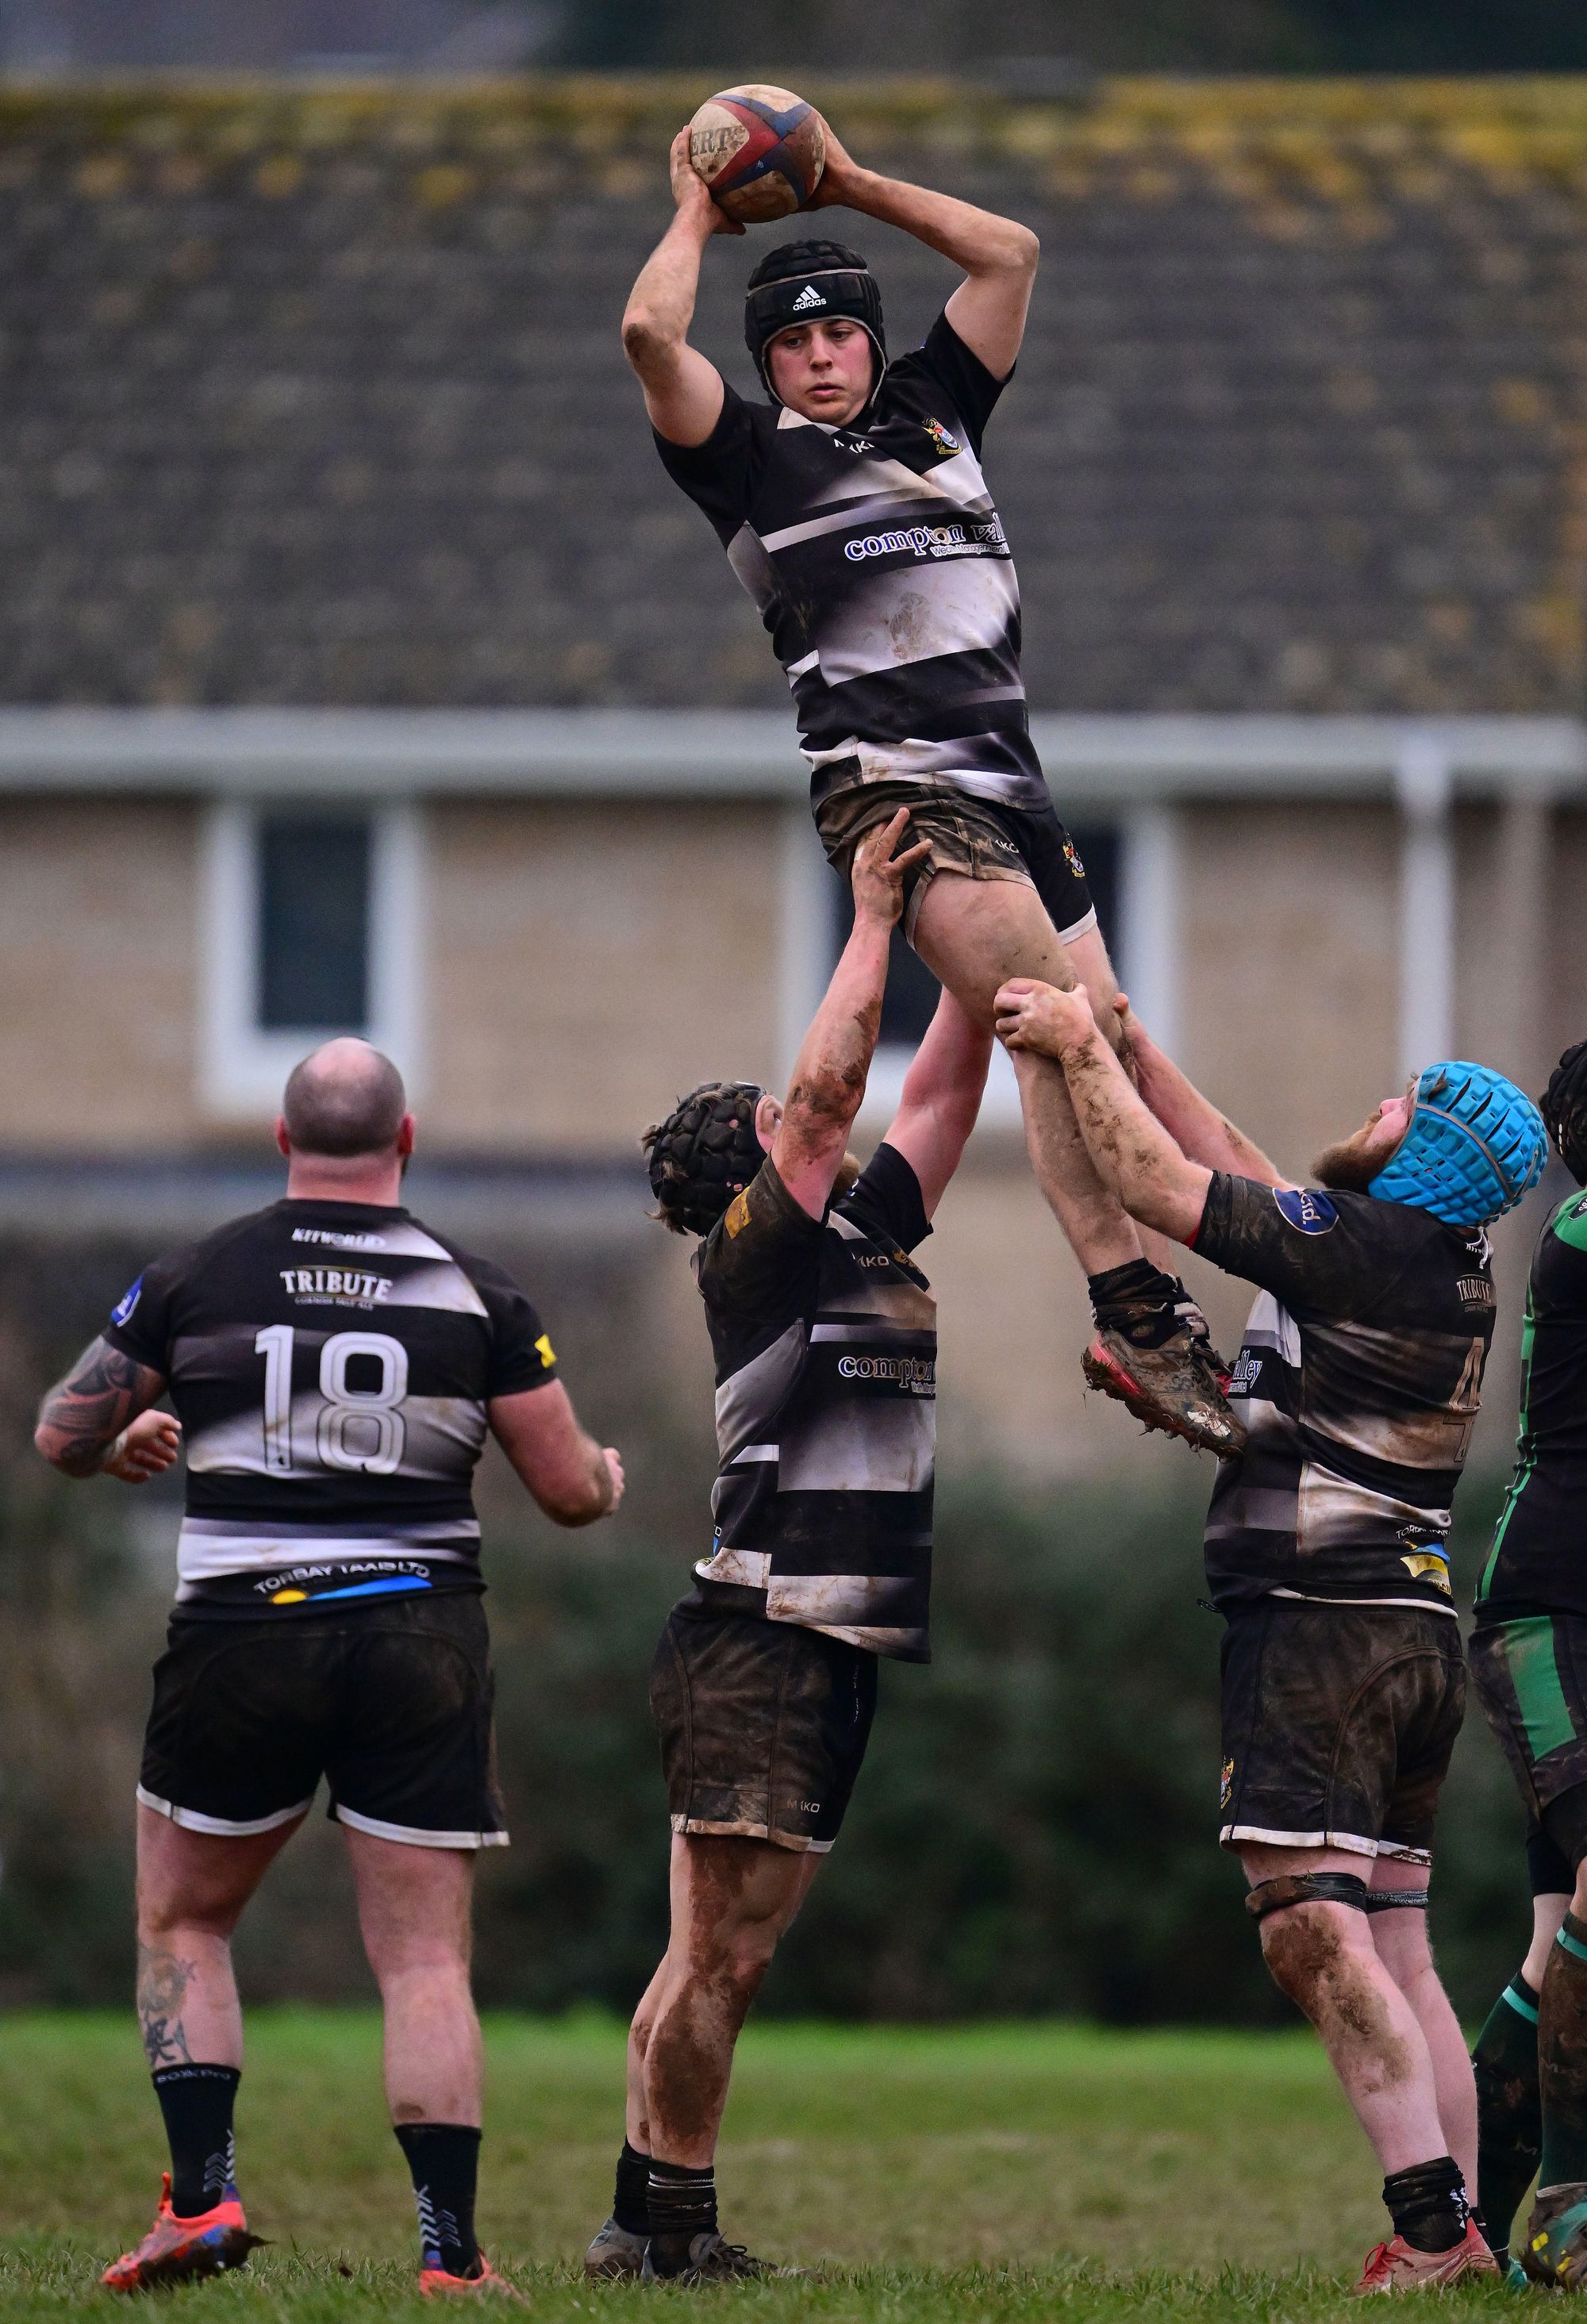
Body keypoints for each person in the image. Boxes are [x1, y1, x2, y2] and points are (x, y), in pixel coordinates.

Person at [620, 109, 1238, 1458]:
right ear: (768, 367)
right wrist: (699, 213)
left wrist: (844, 181)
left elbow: (1010, 252)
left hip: (1013, 780)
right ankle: (1133, 1310)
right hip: (900, 793)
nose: (821, 356)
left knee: (1106, 1031)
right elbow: (650, 337)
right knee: (1053, 1027)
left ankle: (1274, 1261)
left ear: (873, 340)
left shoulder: (938, 406)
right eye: (793, 344)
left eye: (841, 332)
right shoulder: (748, 462)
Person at [35, 1038, 622, 2297]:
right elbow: (571, 1490)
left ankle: (202, 2200)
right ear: (404, 1141)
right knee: (424, 1962)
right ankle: (450, 2258)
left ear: (281, 1139)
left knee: (187, 1918)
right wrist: (611, 1473)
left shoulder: (196, 1276)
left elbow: (60, 1430)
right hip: (419, 1639)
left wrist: (121, 1440)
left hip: (241, 1634)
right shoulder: (477, 1291)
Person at [991, 973, 1547, 2291]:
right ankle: (1460, 2228)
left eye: (1400, 1103)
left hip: (1319, 1626)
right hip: (1408, 1632)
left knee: (1308, 1927)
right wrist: (1136, 1046)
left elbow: (1158, 1181)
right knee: (1397, 1941)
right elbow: (1244, 1166)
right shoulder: (1426, 1256)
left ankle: (1428, 2235)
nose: (1376, 1107)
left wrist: (1073, 1047)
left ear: (1427, 1146)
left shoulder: (1359, 1246)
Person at [580, 809, 989, 2283]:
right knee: (726, 1954)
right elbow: (829, 1096)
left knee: (718, 1948)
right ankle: (675, 2231)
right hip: (763, 1632)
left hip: (829, 1638)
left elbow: (941, 1092)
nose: (816, 1116)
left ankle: (639, 2221)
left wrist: (986, 947)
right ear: (759, 1158)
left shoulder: (860, 1241)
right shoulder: (754, 1252)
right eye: (787, 1119)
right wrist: (870, 918)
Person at [1468, 1041, 1587, 2286]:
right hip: (1550, 1618)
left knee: (1556, 1949)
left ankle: (1455, 2233)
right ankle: (1565, 2214)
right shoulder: (1584, 1227)